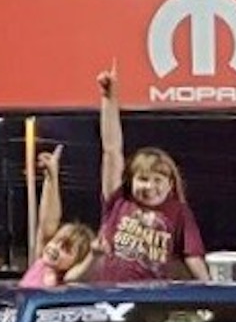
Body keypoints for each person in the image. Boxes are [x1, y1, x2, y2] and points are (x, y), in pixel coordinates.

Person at [89, 65, 210, 282]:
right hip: (110, 291)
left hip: (151, 298)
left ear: (171, 185)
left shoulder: (179, 212)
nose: (150, 187)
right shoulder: (117, 202)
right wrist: (109, 99)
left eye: (158, 180)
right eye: (143, 179)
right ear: (131, 181)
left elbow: (193, 256)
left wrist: (209, 289)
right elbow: (111, 150)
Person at [21, 145, 95, 288]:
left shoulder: (66, 282)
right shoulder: (40, 264)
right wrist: (51, 177)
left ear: (76, 262)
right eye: (56, 241)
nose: (55, 248)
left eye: (66, 249)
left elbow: (78, 274)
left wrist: (95, 255)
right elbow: (48, 220)